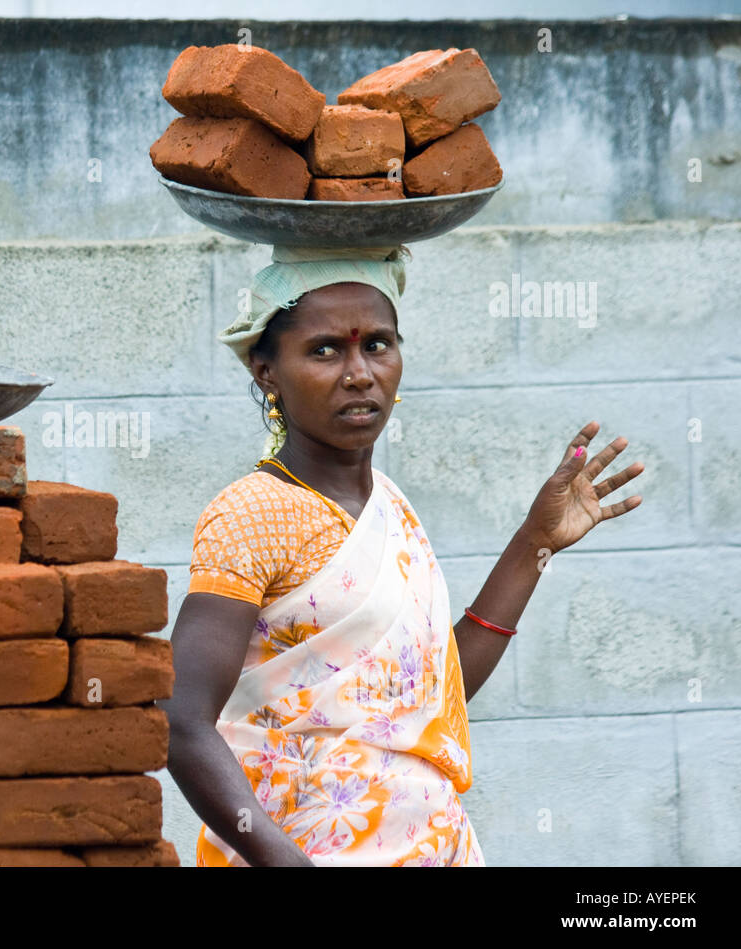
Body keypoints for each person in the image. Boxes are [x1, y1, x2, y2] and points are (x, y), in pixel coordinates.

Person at [159, 244, 645, 867]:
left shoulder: (391, 506)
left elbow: (426, 697)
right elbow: (181, 719)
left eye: (378, 345)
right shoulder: (254, 512)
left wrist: (536, 542)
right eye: (325, 350)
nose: (359, 372)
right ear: (266, 372)